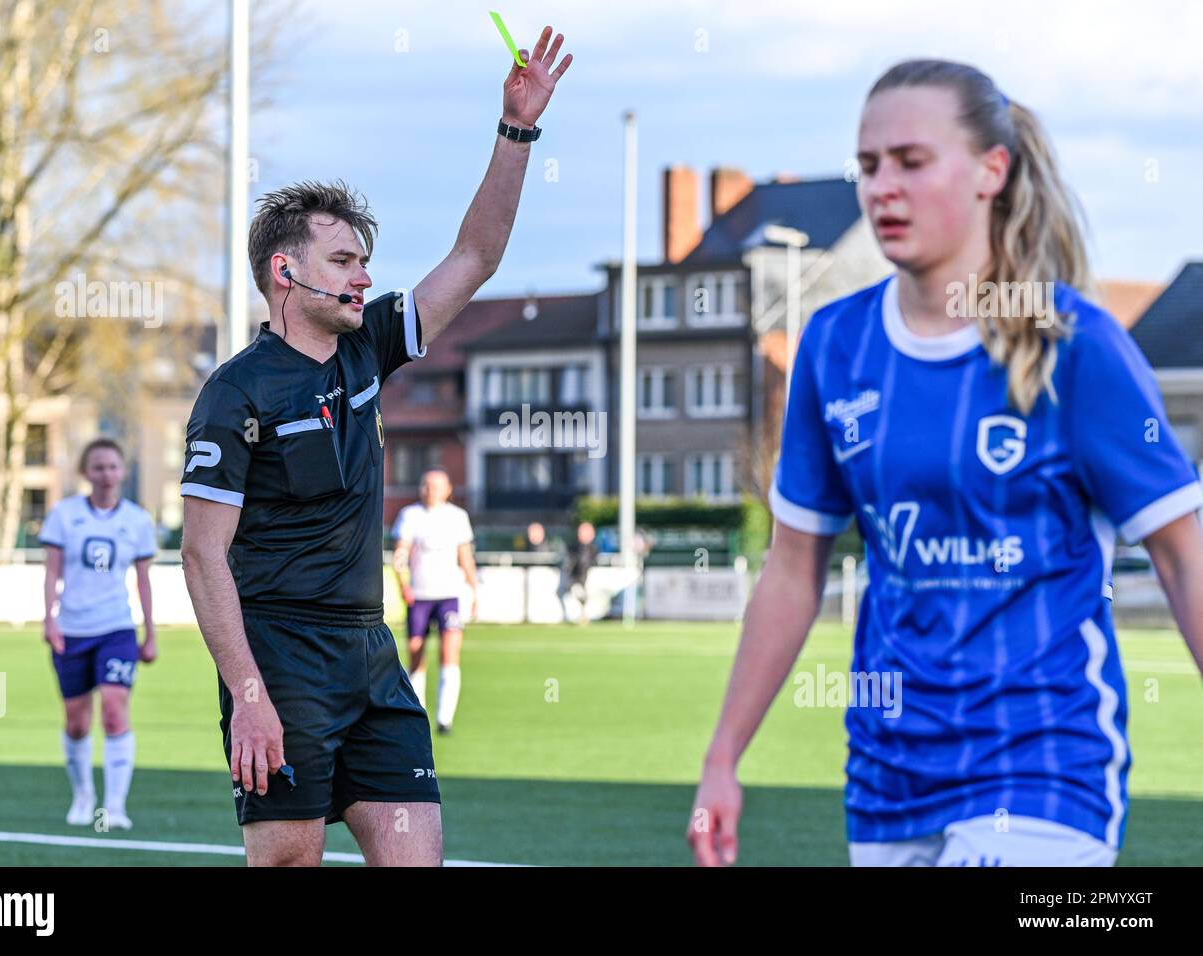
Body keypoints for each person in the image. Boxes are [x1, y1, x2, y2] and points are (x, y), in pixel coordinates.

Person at [689, 59, 1203, 868]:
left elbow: (1185, 559)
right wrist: (721, 760)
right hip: (888, 775)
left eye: (911, 161)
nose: (881, 188)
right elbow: (792, 572)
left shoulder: (1078, 345)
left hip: (1045, 765)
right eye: (868, 166)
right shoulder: (834, 345)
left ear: (991, 171)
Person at [180, 27, 572, 867]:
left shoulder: (369, 345)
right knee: (288, 860)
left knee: (415, 856)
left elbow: (476, 254)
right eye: (346, 260)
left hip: (371, 654)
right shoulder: (234, 393)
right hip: (279, 657)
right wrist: (248, 693)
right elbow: (202, 555)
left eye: (367, 261)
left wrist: (517, 130)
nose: (364, 277)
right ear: (287, 273)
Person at [41, 438, 158, 830]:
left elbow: (143, 581)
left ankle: (114, 807)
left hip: (117, 630)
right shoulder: (64, 515)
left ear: (122, 471)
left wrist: (150, 632)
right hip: (72, 630)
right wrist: (49, 618)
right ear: (85, 472)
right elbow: (52, 572)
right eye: (98, 467)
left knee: (113, 710)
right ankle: (83, 796)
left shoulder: (137, 521)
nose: (106, 474)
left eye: (112, 466)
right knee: (76, 721)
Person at [391, 469, 478, 734]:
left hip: (448, 595)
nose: (431, 491)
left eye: (436, 486)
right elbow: (400, 554)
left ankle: (444, 718)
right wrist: (403, 584)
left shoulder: (457, 517)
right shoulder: (410, 515)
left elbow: (465, 557)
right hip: (419, 595)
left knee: (449, 653)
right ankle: (418, 713)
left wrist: (474, 591)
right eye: (426, 486)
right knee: (416, 653)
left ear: (448, 489)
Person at [560, 521, 598, 626]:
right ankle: (580, 617)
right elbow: (569, 566)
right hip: (576, 581)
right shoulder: (573, 547)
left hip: (589, 581)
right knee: (575, 596)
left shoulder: (595, 548)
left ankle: (585, 616)